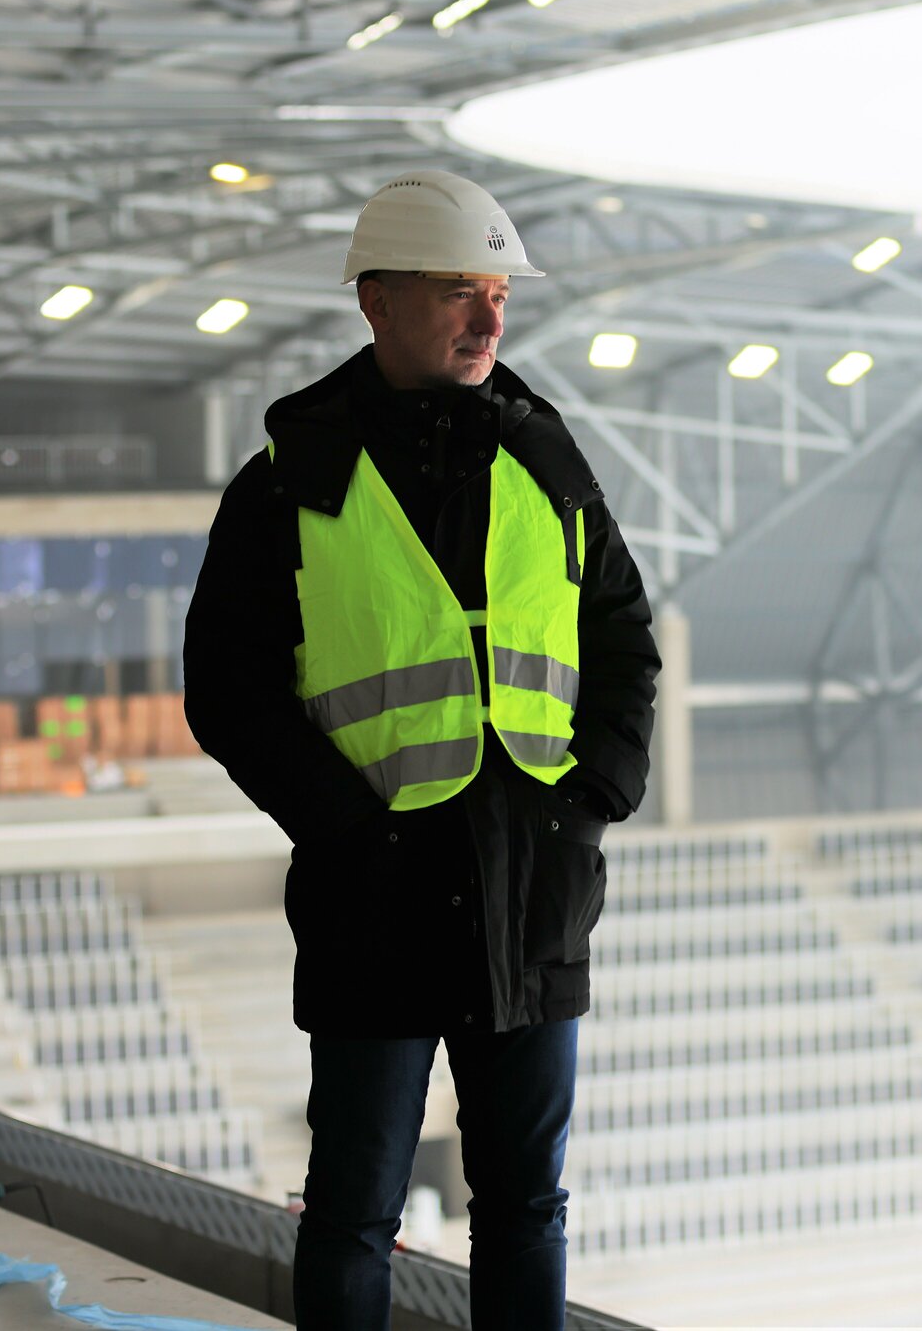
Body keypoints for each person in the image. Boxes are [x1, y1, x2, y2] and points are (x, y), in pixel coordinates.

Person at [182, 169, 660, 1331]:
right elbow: (227, 691)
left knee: (525, 1206)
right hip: (374, 895)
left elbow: (623, 646)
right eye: (459, 293)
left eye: (497, 293)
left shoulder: (548, 463)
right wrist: (349, 826)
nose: (489, 321)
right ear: (378, 302)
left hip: (533, 884)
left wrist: (587, 801)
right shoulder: (291, 484)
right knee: (354, 1205)